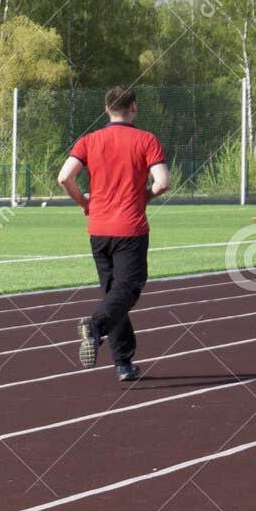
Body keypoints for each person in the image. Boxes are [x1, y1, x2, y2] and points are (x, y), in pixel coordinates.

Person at [59, 84, 169, 383]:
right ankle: (95, 327)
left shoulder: (88, 141)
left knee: (112, 292)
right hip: (129, 228)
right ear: (133, 108)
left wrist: (85, 203)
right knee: (129, 288)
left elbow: (64, 177)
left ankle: (123, 362)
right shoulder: (147, 140)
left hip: (98, 228)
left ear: (107, 109)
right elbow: (162, 182)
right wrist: (142, 197)